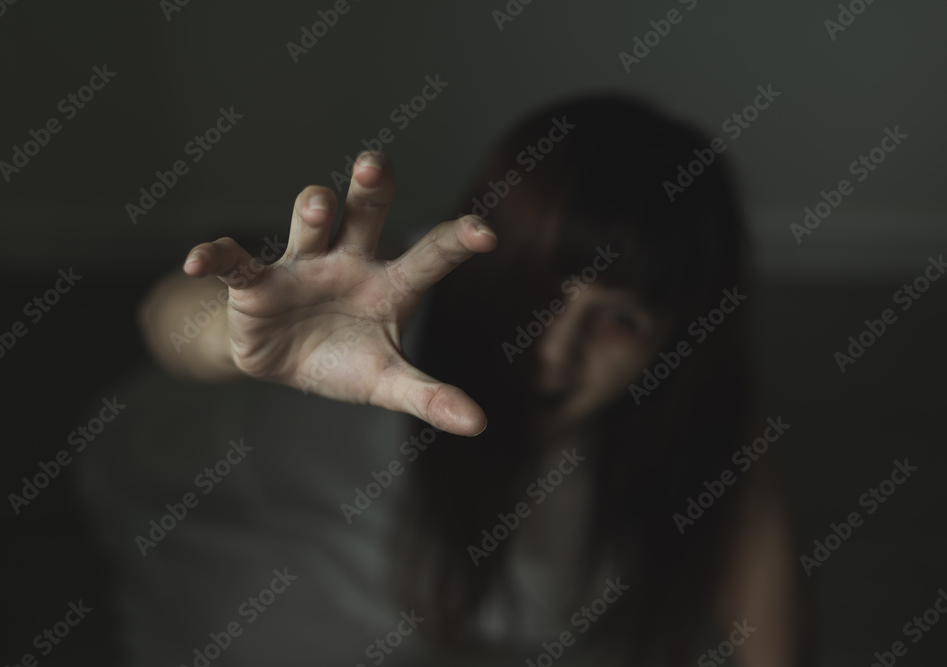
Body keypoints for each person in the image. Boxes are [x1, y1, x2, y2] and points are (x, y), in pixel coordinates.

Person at [85, 94, 810, 665]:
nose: (554, 350)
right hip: (229, 499)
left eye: (616, 319)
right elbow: (164, 317)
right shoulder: (379, 304)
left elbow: (762, 593)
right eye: (538, 289)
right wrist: (229, 334)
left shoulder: (698, 426)